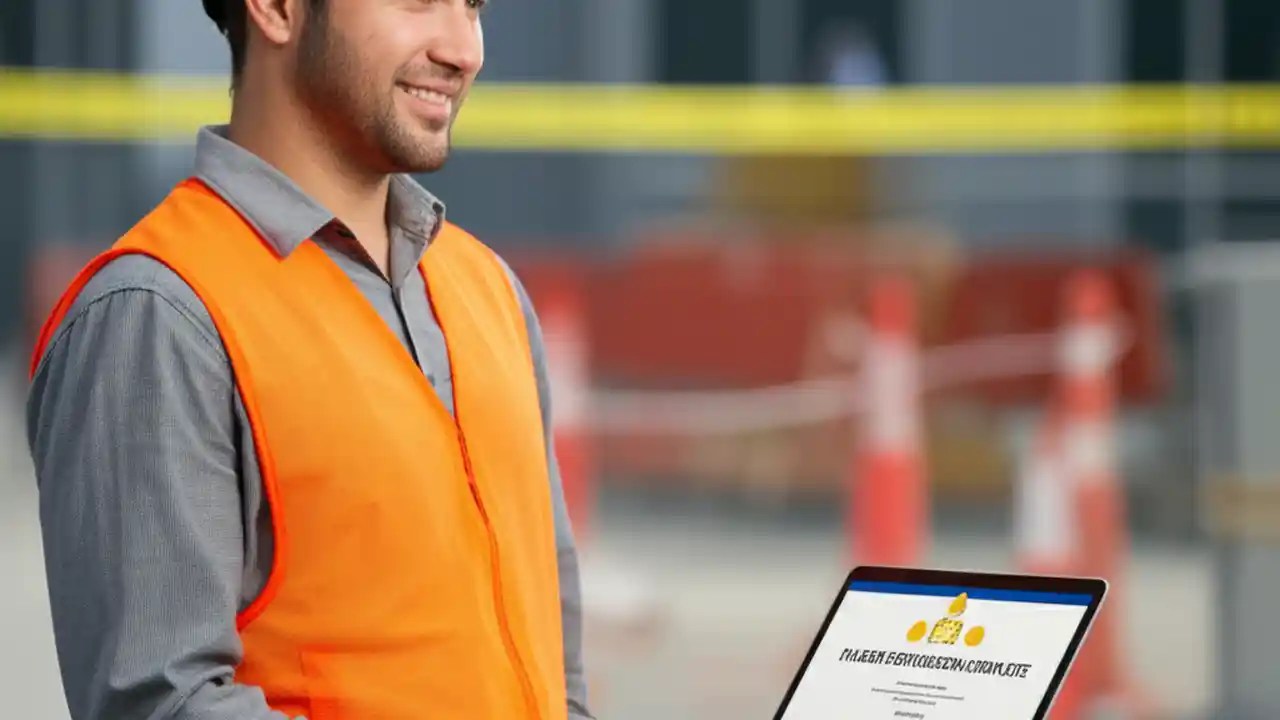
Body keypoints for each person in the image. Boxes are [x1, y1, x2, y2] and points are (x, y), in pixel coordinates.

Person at [25, 1, 592, 718]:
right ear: (275, 8)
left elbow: (554, 666)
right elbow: (161, 704)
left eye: (473, 5)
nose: (464, 50)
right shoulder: (159, 315)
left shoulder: (492, 292)